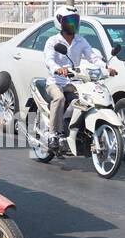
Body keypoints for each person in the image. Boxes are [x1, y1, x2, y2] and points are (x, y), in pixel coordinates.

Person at [43, 8, 115, 145]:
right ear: (60, 22)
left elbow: (93, 57)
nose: (73, 25)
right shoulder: (53, 41)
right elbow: (49, 60)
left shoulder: (81, 40)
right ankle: (52, 133)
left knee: (87, 99)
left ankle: (72, 126)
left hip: (73, 81)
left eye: (75, 21)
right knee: (59, 98)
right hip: (55, 81)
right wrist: (58, 69)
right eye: (69, 22)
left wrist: (106, 68)